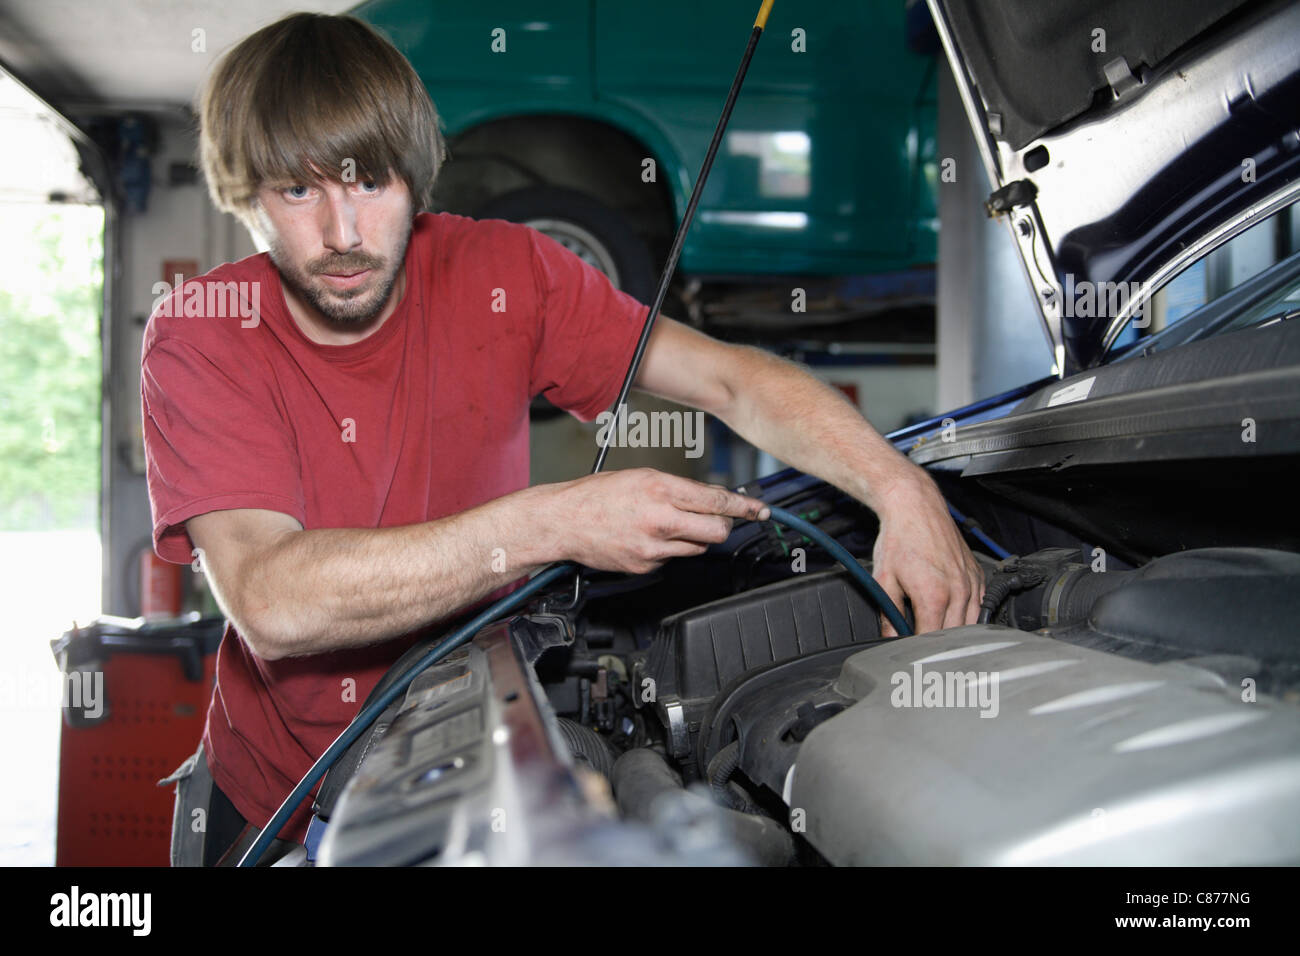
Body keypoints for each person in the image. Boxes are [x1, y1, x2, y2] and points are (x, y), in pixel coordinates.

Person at [144, 12, 984, 865]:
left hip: (474, 739)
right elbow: (272, 602)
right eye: (298, 192)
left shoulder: (506, 274)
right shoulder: (204, 334)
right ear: (242, 193)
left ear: (418, 174)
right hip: (276, 797)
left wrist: (902, 490)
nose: (344, 234)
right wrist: (552, 523)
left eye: (372, 184)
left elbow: (733, 380)